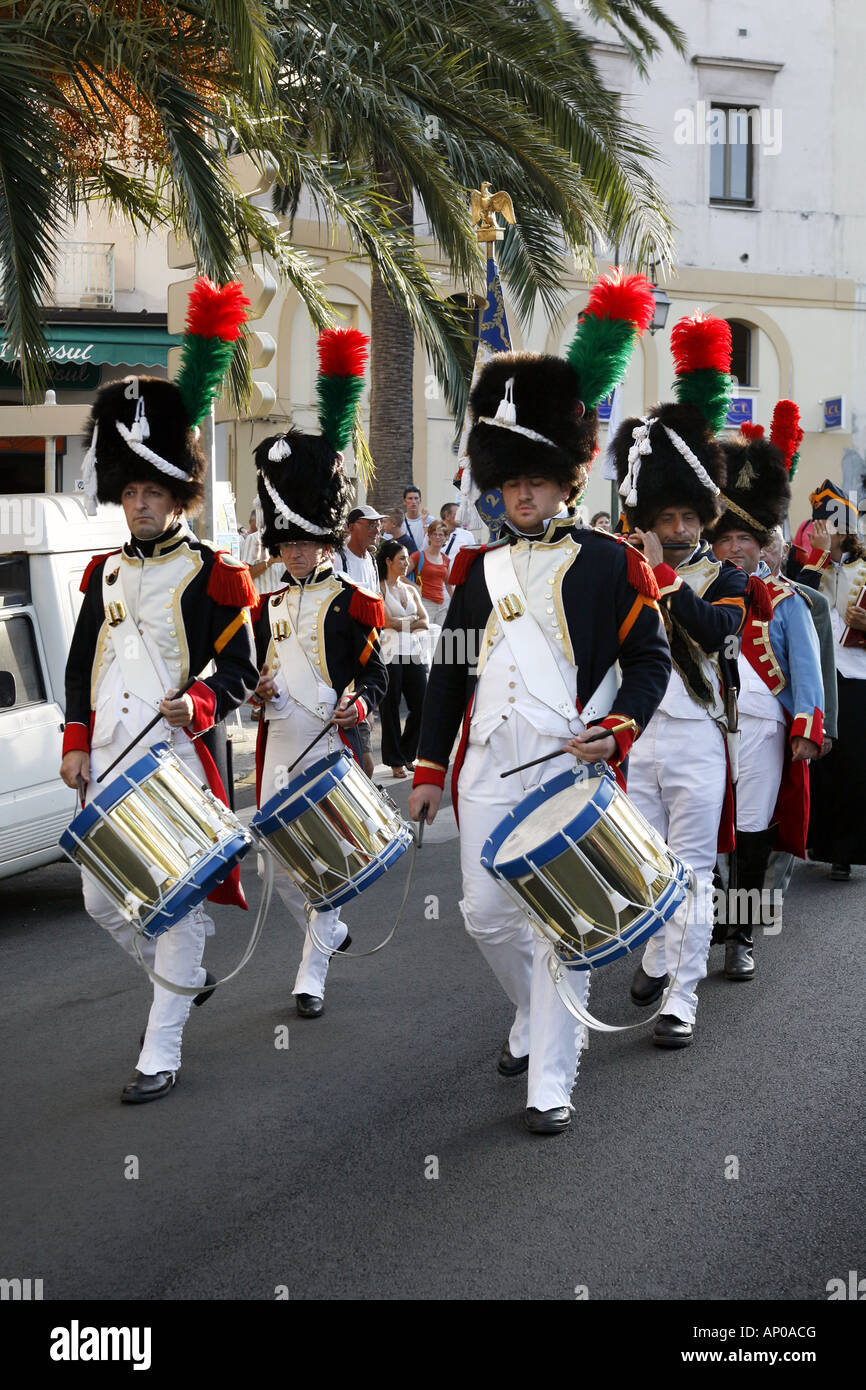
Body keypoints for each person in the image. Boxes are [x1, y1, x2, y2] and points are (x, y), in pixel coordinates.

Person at [409, 269, 666, 1135]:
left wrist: (618, 726)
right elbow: (448, 672)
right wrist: (423, 764)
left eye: (538, 478)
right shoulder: (476, 571)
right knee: (484, 915)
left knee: (562, 923)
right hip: (485, 769)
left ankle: (552, 1077)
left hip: (570, 764)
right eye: (510, 479)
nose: (523, 492)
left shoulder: (610, 562)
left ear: (566, 478)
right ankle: (528, 1012)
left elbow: (650, 661)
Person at [59, 278, 259, 1104]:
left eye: (155, 492)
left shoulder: (217, 573)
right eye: (131, 491)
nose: (141, 504)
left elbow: (240, 666)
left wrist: (203, 703)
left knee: (171, 907)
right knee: (104, 901)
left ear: (179, 493)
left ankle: (161, 1048)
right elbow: (78, 668)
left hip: (174, 759)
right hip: (106, 761)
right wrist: (74, 741)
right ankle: (181, 976)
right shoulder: (101, 570)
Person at [611, 311, 752, 1047]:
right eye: (666, 515)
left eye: (690, 516)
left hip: (697, 736)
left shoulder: (724, 576)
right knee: (648, 872)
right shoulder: (627, 570)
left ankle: (682, 998)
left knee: (694, 871)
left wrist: (663, 578)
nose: (681, 527)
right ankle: (659, 949)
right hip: (638, 740)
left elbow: (717, 633)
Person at [251, 330, 388, 1018]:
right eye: (284, 544)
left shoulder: (354, 602)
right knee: (279, 860)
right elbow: (251, 673)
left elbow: (377, 678)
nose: (293, 554)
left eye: (302, 543)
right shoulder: (266, 603)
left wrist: (357, 709)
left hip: (329, 743)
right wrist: (255, 692)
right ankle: (326, 926)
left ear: (324, 540)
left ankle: (311, 972)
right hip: (277, 741)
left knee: (321, 857)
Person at [708, 404, 824, 980]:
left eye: (744, 540)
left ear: (761, 545)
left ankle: (742, 936)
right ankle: (715, 918)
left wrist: (806, 729)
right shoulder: (698, 598)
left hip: (761, 730)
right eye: (724, 539)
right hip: (705, 729)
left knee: (752, 833)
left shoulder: (786, 603)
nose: (734, 549)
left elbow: (806, 673)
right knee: (703, 830)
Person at [795, 480, 866, 880]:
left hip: (857, 676)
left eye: (829, 523)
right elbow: (793, 603)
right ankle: (817, 840)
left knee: (854, 765)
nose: (821, 529)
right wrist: (817, 559)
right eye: (817, 522)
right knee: (821, 764)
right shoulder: (806, 564)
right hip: (820, 676)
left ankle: (847, 851)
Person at [377, 539, 429, 777]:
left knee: (423, 703)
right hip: (389, 653)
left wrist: (401, 624)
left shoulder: (410, 589)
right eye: (401, 558)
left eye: (407, 557)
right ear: (388, 561)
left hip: (413, 652)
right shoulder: (380, 588)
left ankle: (408, 753)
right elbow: (387, 622)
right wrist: (411, 623)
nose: (406, 562)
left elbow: (425, 621)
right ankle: (395, 760)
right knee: (390, 706)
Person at [410, 518, 453, 630]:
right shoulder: (418, 556)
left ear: (446, 538)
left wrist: (455, 602)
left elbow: (448, 584)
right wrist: (414, 586)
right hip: (424, 603)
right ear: (429, 536)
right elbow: (399, 575)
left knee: (440, 639)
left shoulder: (445, 560)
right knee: (424, 637)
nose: (437, 537)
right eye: (434, 534)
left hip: (442, 605)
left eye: (441, 535)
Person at [332, 505, 385, 590]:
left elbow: (377, 595)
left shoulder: (372, 561)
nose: (377, 531)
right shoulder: (338, 560)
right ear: (352, 527)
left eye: (378, 526)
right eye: (371, 526)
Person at [240, 498, 283, 595]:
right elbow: (246, 574)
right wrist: (270, 561)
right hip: (262, 599)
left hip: (282, 600)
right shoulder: (254, 538)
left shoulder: (286, 539)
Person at [401, 484, 431, 554]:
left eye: (416, 498)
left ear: (420, 500)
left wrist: (424, 522)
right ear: (404, 501)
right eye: (410, 498)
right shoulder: (399, 521)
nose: (413, 502)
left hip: (424, 561)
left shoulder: (430, 520)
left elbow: (432, 542)